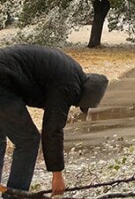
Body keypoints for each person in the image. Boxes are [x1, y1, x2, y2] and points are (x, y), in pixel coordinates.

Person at [0, 44, 109, 197]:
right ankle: (14, 196)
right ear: (83, 96)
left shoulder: (71, 72)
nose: (74, 105)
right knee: (28, 140)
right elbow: (52, 131)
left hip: (5, 77)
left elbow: (37, 83)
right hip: (3, 82)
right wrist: (57, 175)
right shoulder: (69, 87)